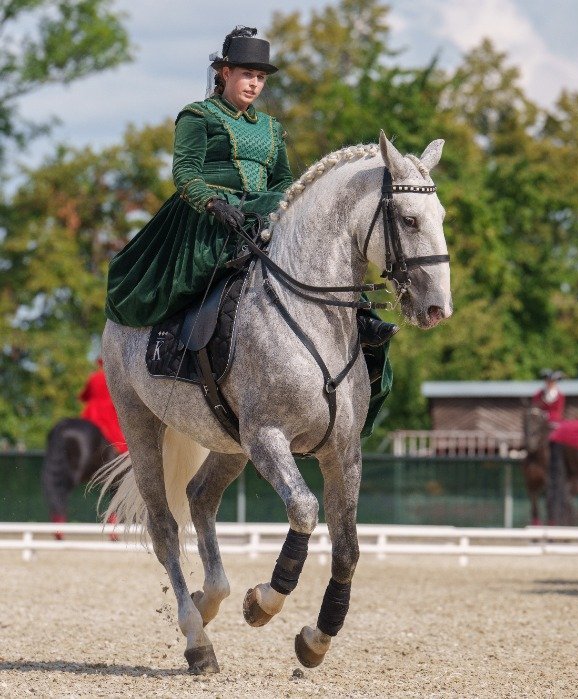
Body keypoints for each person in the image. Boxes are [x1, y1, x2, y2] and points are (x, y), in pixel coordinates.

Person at [104, 26, 396, 433]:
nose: (254, 84)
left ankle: (361, 316)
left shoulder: (272, 128)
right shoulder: (197, 116)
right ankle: (177, 355)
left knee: (322, 255)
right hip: (206, 217)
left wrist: (289, 214)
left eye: (260, 78)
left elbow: (284, 184)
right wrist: (212, 202)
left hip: (262, 213)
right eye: (247, 75)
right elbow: (185, 172)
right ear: (225, 73)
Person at [79, 358, 126, 454]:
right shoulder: (113, 378)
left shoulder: (93, 377)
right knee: (119, 439)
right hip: (108, 409)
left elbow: (84, 396)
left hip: (92, 411)